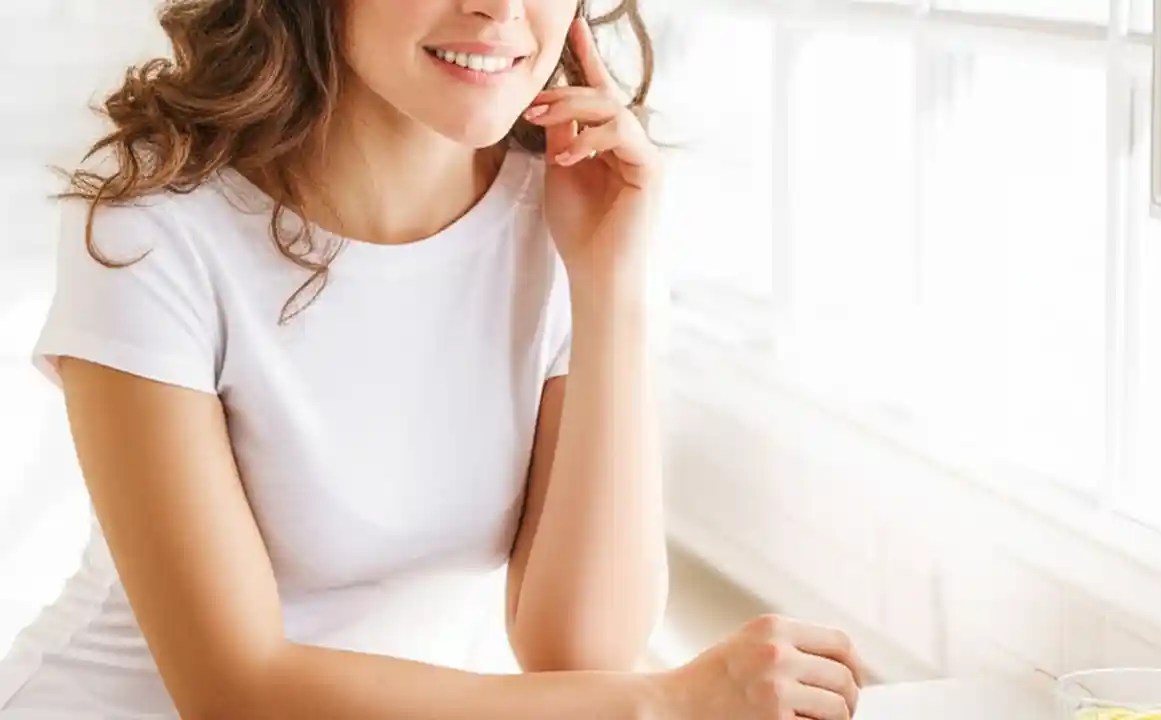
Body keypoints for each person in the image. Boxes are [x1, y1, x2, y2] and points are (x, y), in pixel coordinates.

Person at [0, 1, 864, 717]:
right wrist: (669, 704)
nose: (497, 10)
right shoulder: (156, 225)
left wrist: (611, 288)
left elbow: (579, 651)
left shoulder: (567, 203)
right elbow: (237, 690)